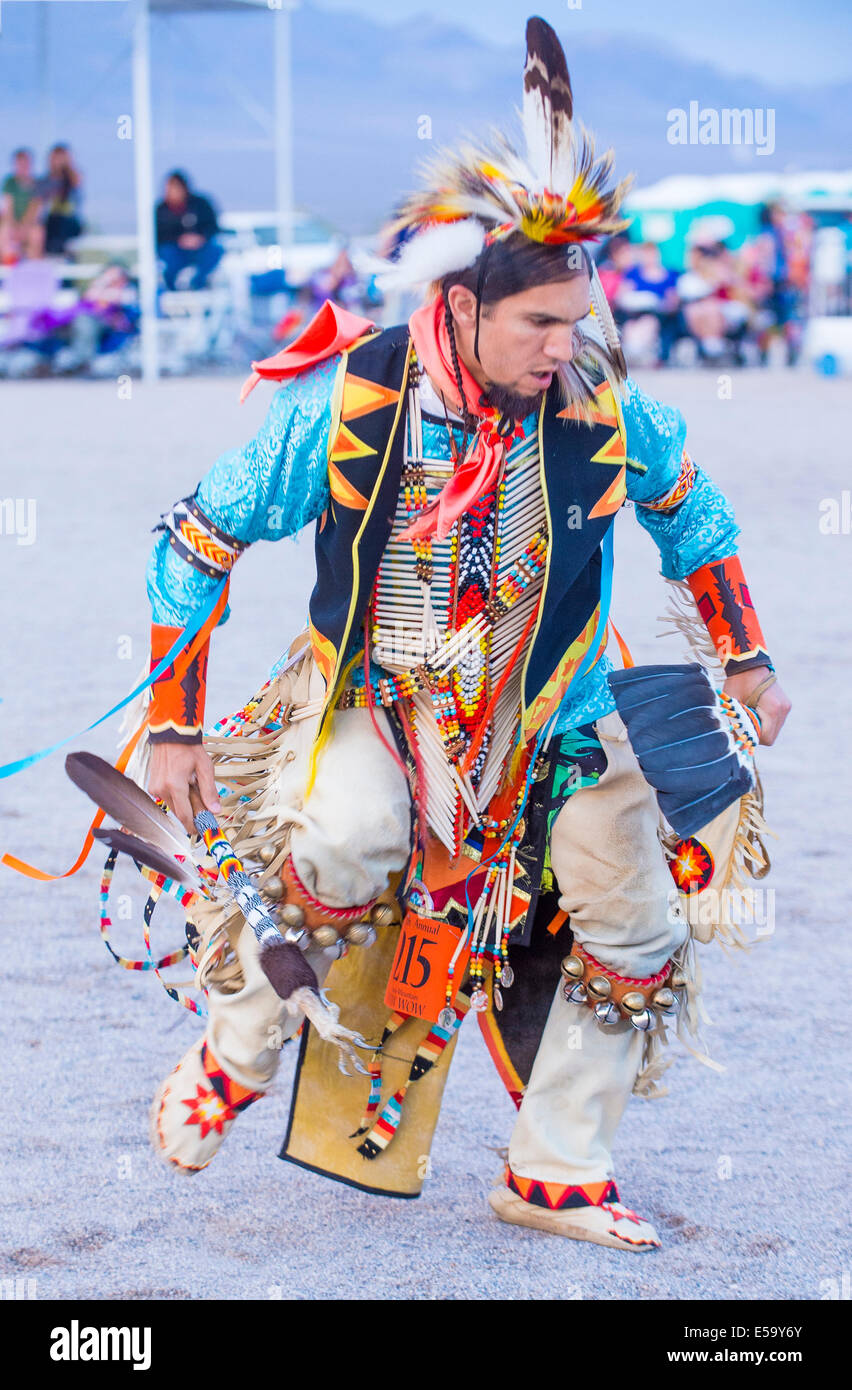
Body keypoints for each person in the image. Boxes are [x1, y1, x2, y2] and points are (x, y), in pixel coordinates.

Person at [140, 17, 789, 1252]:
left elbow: (694, 515)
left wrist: (746, 656)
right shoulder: (360, 403)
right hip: (380, 700)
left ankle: (555, 1171)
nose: (567, 346)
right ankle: (235, 1045)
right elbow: (195, 540)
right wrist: (172, 726)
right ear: (465, 304)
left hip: (561, 712)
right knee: (341, 833)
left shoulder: (600, 405)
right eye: (541, 322)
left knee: (638, 919)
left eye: (578, 318)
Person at [614, 240, 682, 364]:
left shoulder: (669, 275)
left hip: (659, 315)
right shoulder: (633, 274)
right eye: (645, 253)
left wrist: (658, 304)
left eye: (651, 253)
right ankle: (633, 350)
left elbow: (673, 303)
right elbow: (621, 296)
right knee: (631, 326)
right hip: (633, 314)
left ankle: (639, 350)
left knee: (648, 323)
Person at [155, 170, 223, 291]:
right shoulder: (161, 210)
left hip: (200, 249)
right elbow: (157, 235)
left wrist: (201, 238)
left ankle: (197, 283)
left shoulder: (200, 205)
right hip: (174, 251)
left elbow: (213, 227)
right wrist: (179, 240)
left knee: (215, 251)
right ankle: (171, 288)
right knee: (168, 256)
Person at [0, 148, 44, 262]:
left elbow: (35, 210)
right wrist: (13, 226)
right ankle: (7, 266)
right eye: (20, 163)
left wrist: (24, 228)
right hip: (13, 223)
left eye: (25, 163)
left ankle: (33, 265)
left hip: (29, 224)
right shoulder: (10, 182)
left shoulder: (37, 183)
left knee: (37, 234)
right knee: (4, 231)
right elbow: (8, 208)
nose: (23, 166)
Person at [39, 143, 83, 255]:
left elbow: (77, 181)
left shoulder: (72, 177)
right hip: (52, 222)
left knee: (62, 225)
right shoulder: (45, 180)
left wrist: (66, 167)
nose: (59, 161)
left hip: (70, 221)